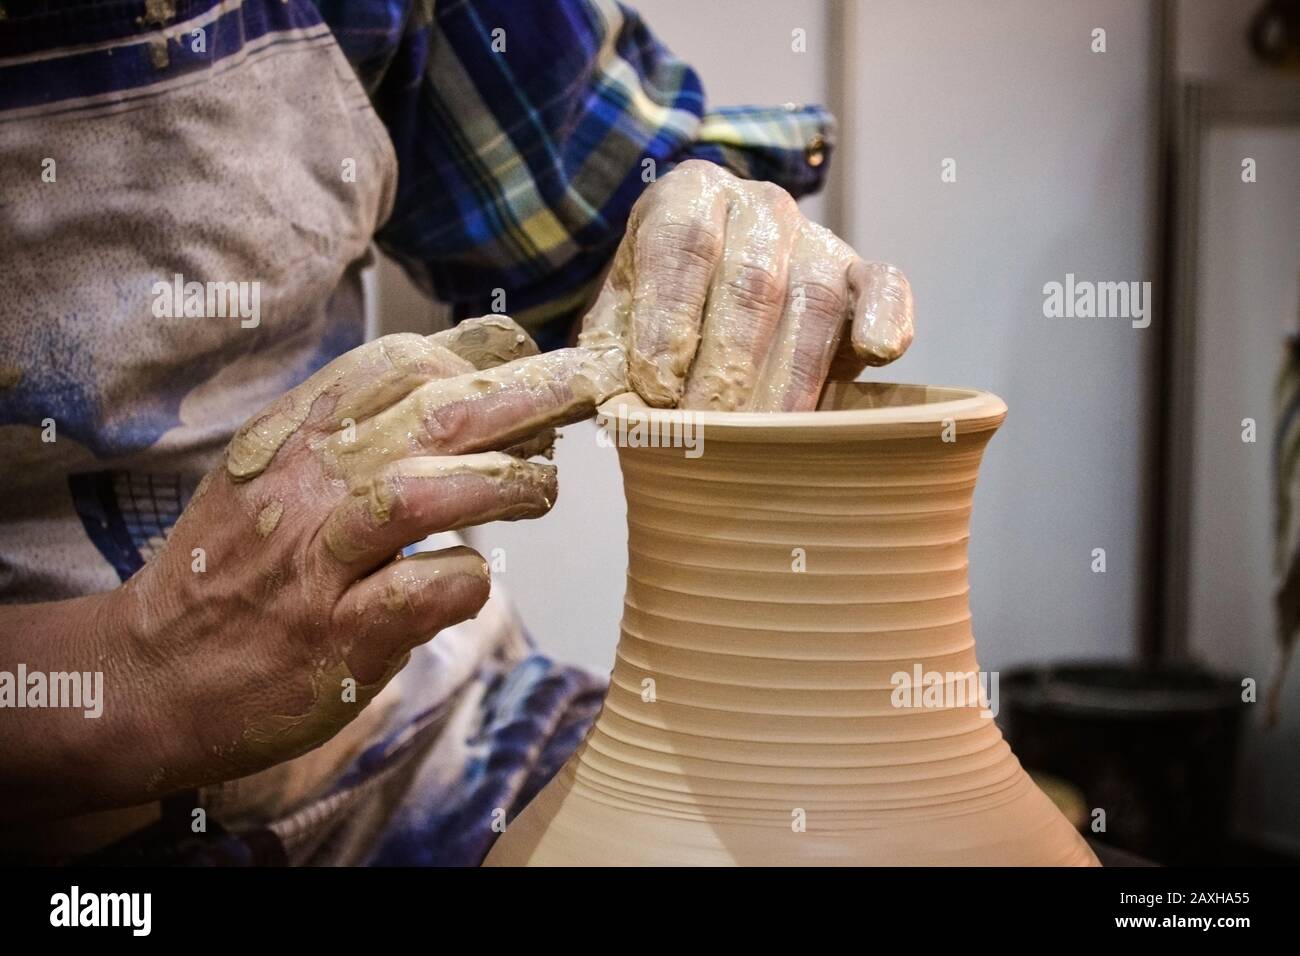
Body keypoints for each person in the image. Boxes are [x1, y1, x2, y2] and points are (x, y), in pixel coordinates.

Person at [0, 0, 912, 864]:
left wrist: (700, 247)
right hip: (50, 804)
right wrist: (134, 667)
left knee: (872, 831)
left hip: (409, 728)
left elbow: (592, 232)